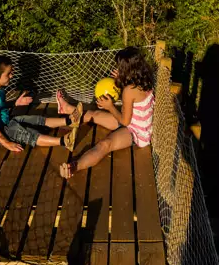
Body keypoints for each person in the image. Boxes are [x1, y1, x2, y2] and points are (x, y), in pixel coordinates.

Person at [58, 46, 155, 178]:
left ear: (128, 70)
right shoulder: (145, 78)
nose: (118, 69)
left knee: (105, 144)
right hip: (133, 120)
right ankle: (67, 109)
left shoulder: (128, 90)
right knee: (95, 114)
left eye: (120, 68)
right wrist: (122, 79)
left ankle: (74, 167)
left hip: (136, 132)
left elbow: (125, 121)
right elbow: (135, 97)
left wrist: (110, 107)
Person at [0, 54, 81, 152]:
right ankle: (64, 141)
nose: (11, 75)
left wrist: (15, 103)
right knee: (27, 134)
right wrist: (7, 143)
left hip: (4, 122)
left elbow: (0, 106)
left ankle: (69, 121)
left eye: (11, 72)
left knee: (34, 119)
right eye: (8, 74)